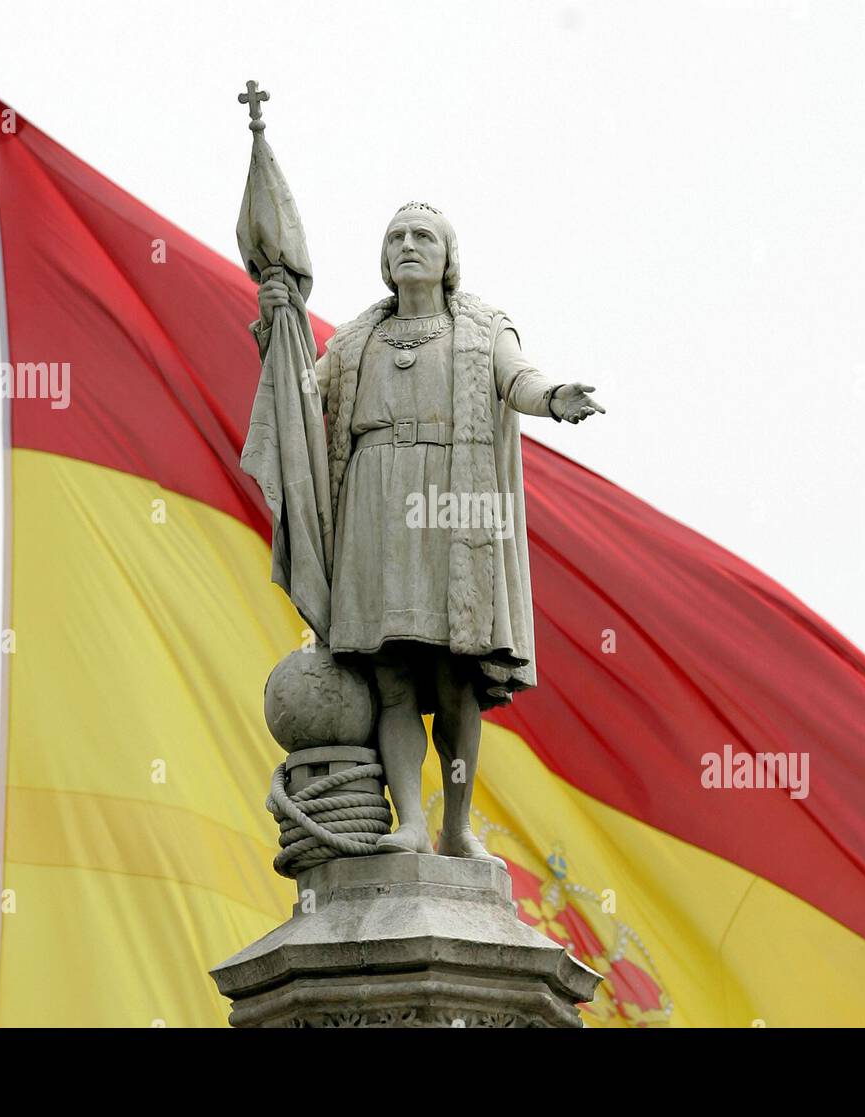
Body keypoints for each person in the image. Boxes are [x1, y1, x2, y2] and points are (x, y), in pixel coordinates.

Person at [252, 202, 604, 864]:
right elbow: (299, 396)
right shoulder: (355, 341)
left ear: (448, 259)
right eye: (396, 237)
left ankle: (457, 826)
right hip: (372, 507)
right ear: (385, 260)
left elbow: (517, 379)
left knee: (454, 678)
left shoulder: (481, 328)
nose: (408, 245)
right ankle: (410, 820)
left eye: (423, 236)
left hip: (451, 506)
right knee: (391, 677)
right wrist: (278, 326)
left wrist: (554, 396)